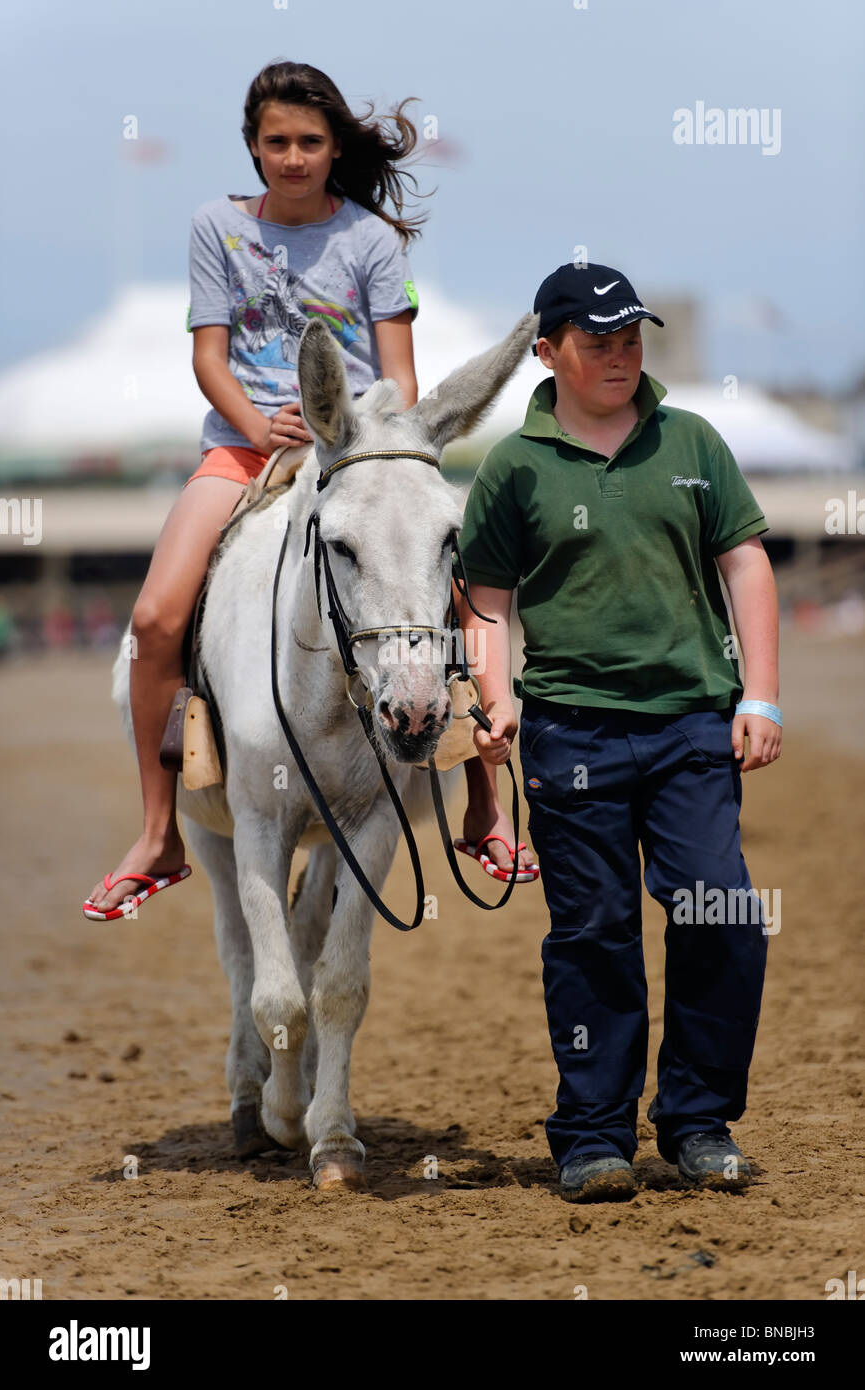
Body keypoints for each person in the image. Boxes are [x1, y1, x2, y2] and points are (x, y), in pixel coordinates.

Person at [84, 58, 533, 921]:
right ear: (253, 149)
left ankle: (484, 806)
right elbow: (209, 358)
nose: (293, 157)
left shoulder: (372, 240)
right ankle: (158, 833)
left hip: (358, 456)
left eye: (310, 142)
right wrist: (261, 432)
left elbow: (396, 379)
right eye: (277, 142)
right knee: (152, 621)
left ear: (334, 149)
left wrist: (366, 440)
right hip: (244, 453)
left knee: (460, 601)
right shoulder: (214, 226)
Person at [456, 262, 781, 1201]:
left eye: (631, 339)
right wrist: (493, 696)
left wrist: (759, 696)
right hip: (571, 737)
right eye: (597, 342)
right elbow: (484, 603)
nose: (620, 357)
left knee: (722, 912)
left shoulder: (695, 441)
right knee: (594, 934)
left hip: (692, 727)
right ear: (548, 349)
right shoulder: (514, 467)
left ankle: (697, 1121)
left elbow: (747, 564)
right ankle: (593, 1136)